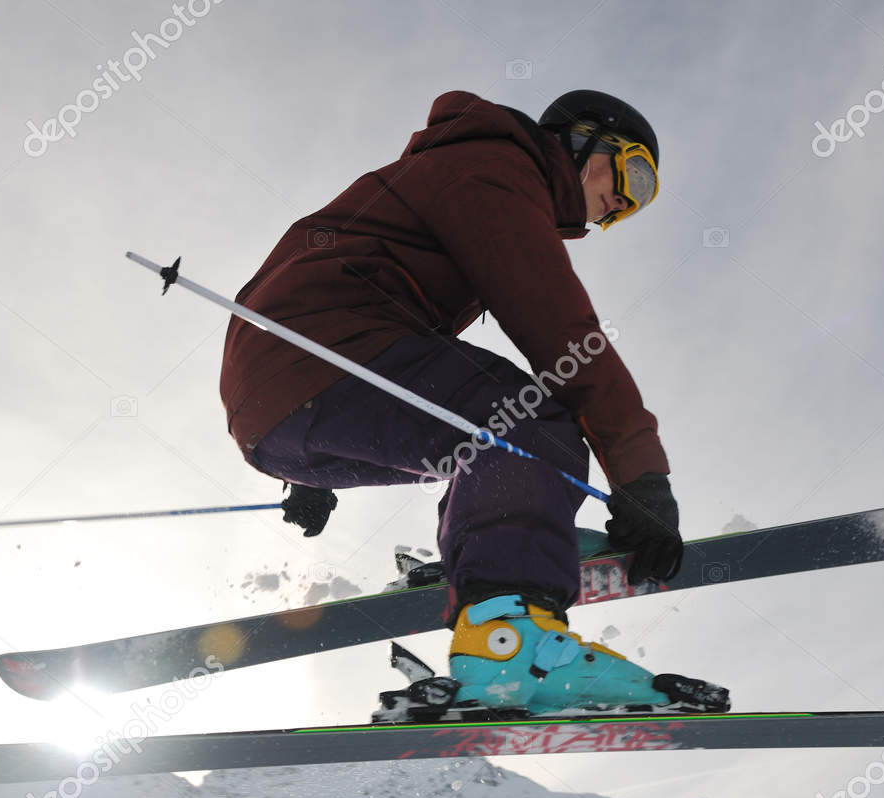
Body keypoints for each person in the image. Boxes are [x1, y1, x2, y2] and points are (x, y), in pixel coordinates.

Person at [221, 89, 724, 715]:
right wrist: (641, 475)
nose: (622, 206)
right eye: (634, 176)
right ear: (582, 140)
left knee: (489, 443)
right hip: (321, 357)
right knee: (526, 420)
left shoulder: (457, 172)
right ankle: (506, 640)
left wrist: (312, 461)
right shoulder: (493, 170)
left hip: (279, 409)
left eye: (639, 204)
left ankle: (510, 553)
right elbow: (563, 334)